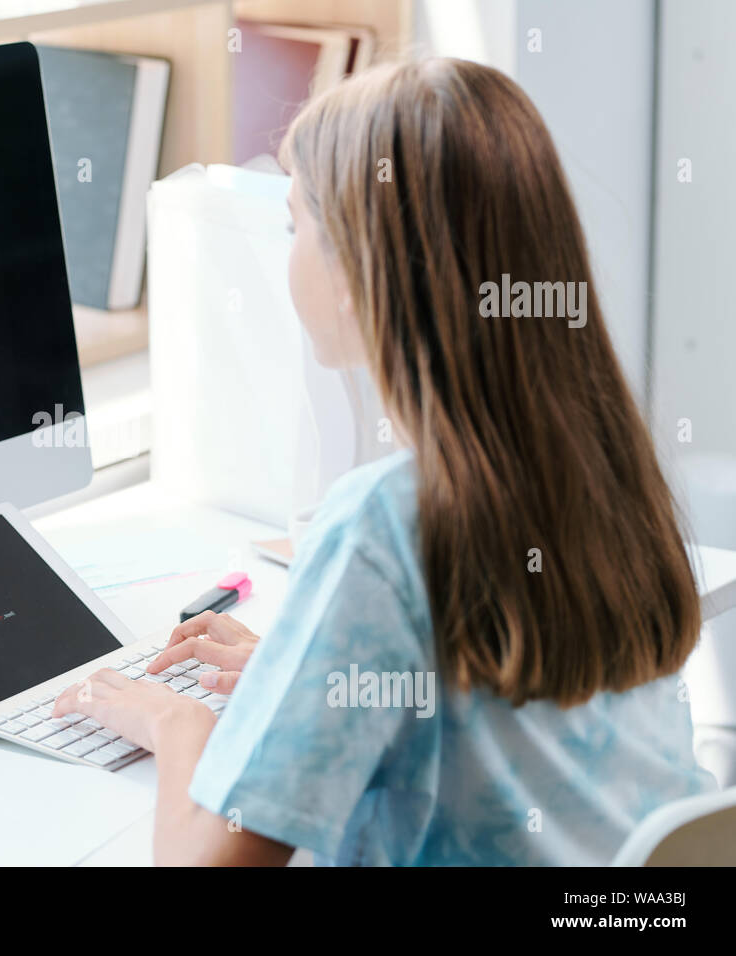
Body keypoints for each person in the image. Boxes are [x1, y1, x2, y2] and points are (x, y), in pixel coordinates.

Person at [54, 57, 715, 866]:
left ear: (360, 269)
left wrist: (173, 720)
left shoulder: (387, 520)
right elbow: (487, 709)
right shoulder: (607, 470)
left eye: (296, 227)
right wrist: (308, 678)